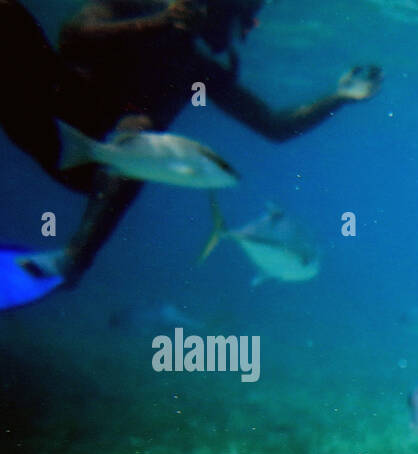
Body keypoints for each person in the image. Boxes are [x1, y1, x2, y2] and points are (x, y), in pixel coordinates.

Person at [0, 0, 381, 296]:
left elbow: (274, 126)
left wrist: (340, 96)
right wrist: (159, 23)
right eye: (248, 16)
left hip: (101, 168)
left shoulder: (196, 68)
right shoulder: (138, 6)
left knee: (141, 133)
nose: (248, 29)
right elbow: (73, 36)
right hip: (44, 123)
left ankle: (73, 259)